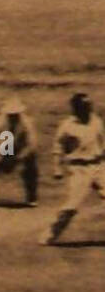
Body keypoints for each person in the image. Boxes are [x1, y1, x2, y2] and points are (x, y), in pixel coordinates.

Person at [40, 92, 105, 246]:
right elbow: (58, 147)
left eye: (89, 106)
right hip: (79, 169)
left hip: (98, 166)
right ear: (76, 109)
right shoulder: (67, 126)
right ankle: (49, 234)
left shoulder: (96, 121)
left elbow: (102, 142)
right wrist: (57, 168)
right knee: (72, 206)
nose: (88, 110)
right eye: (84, 107)